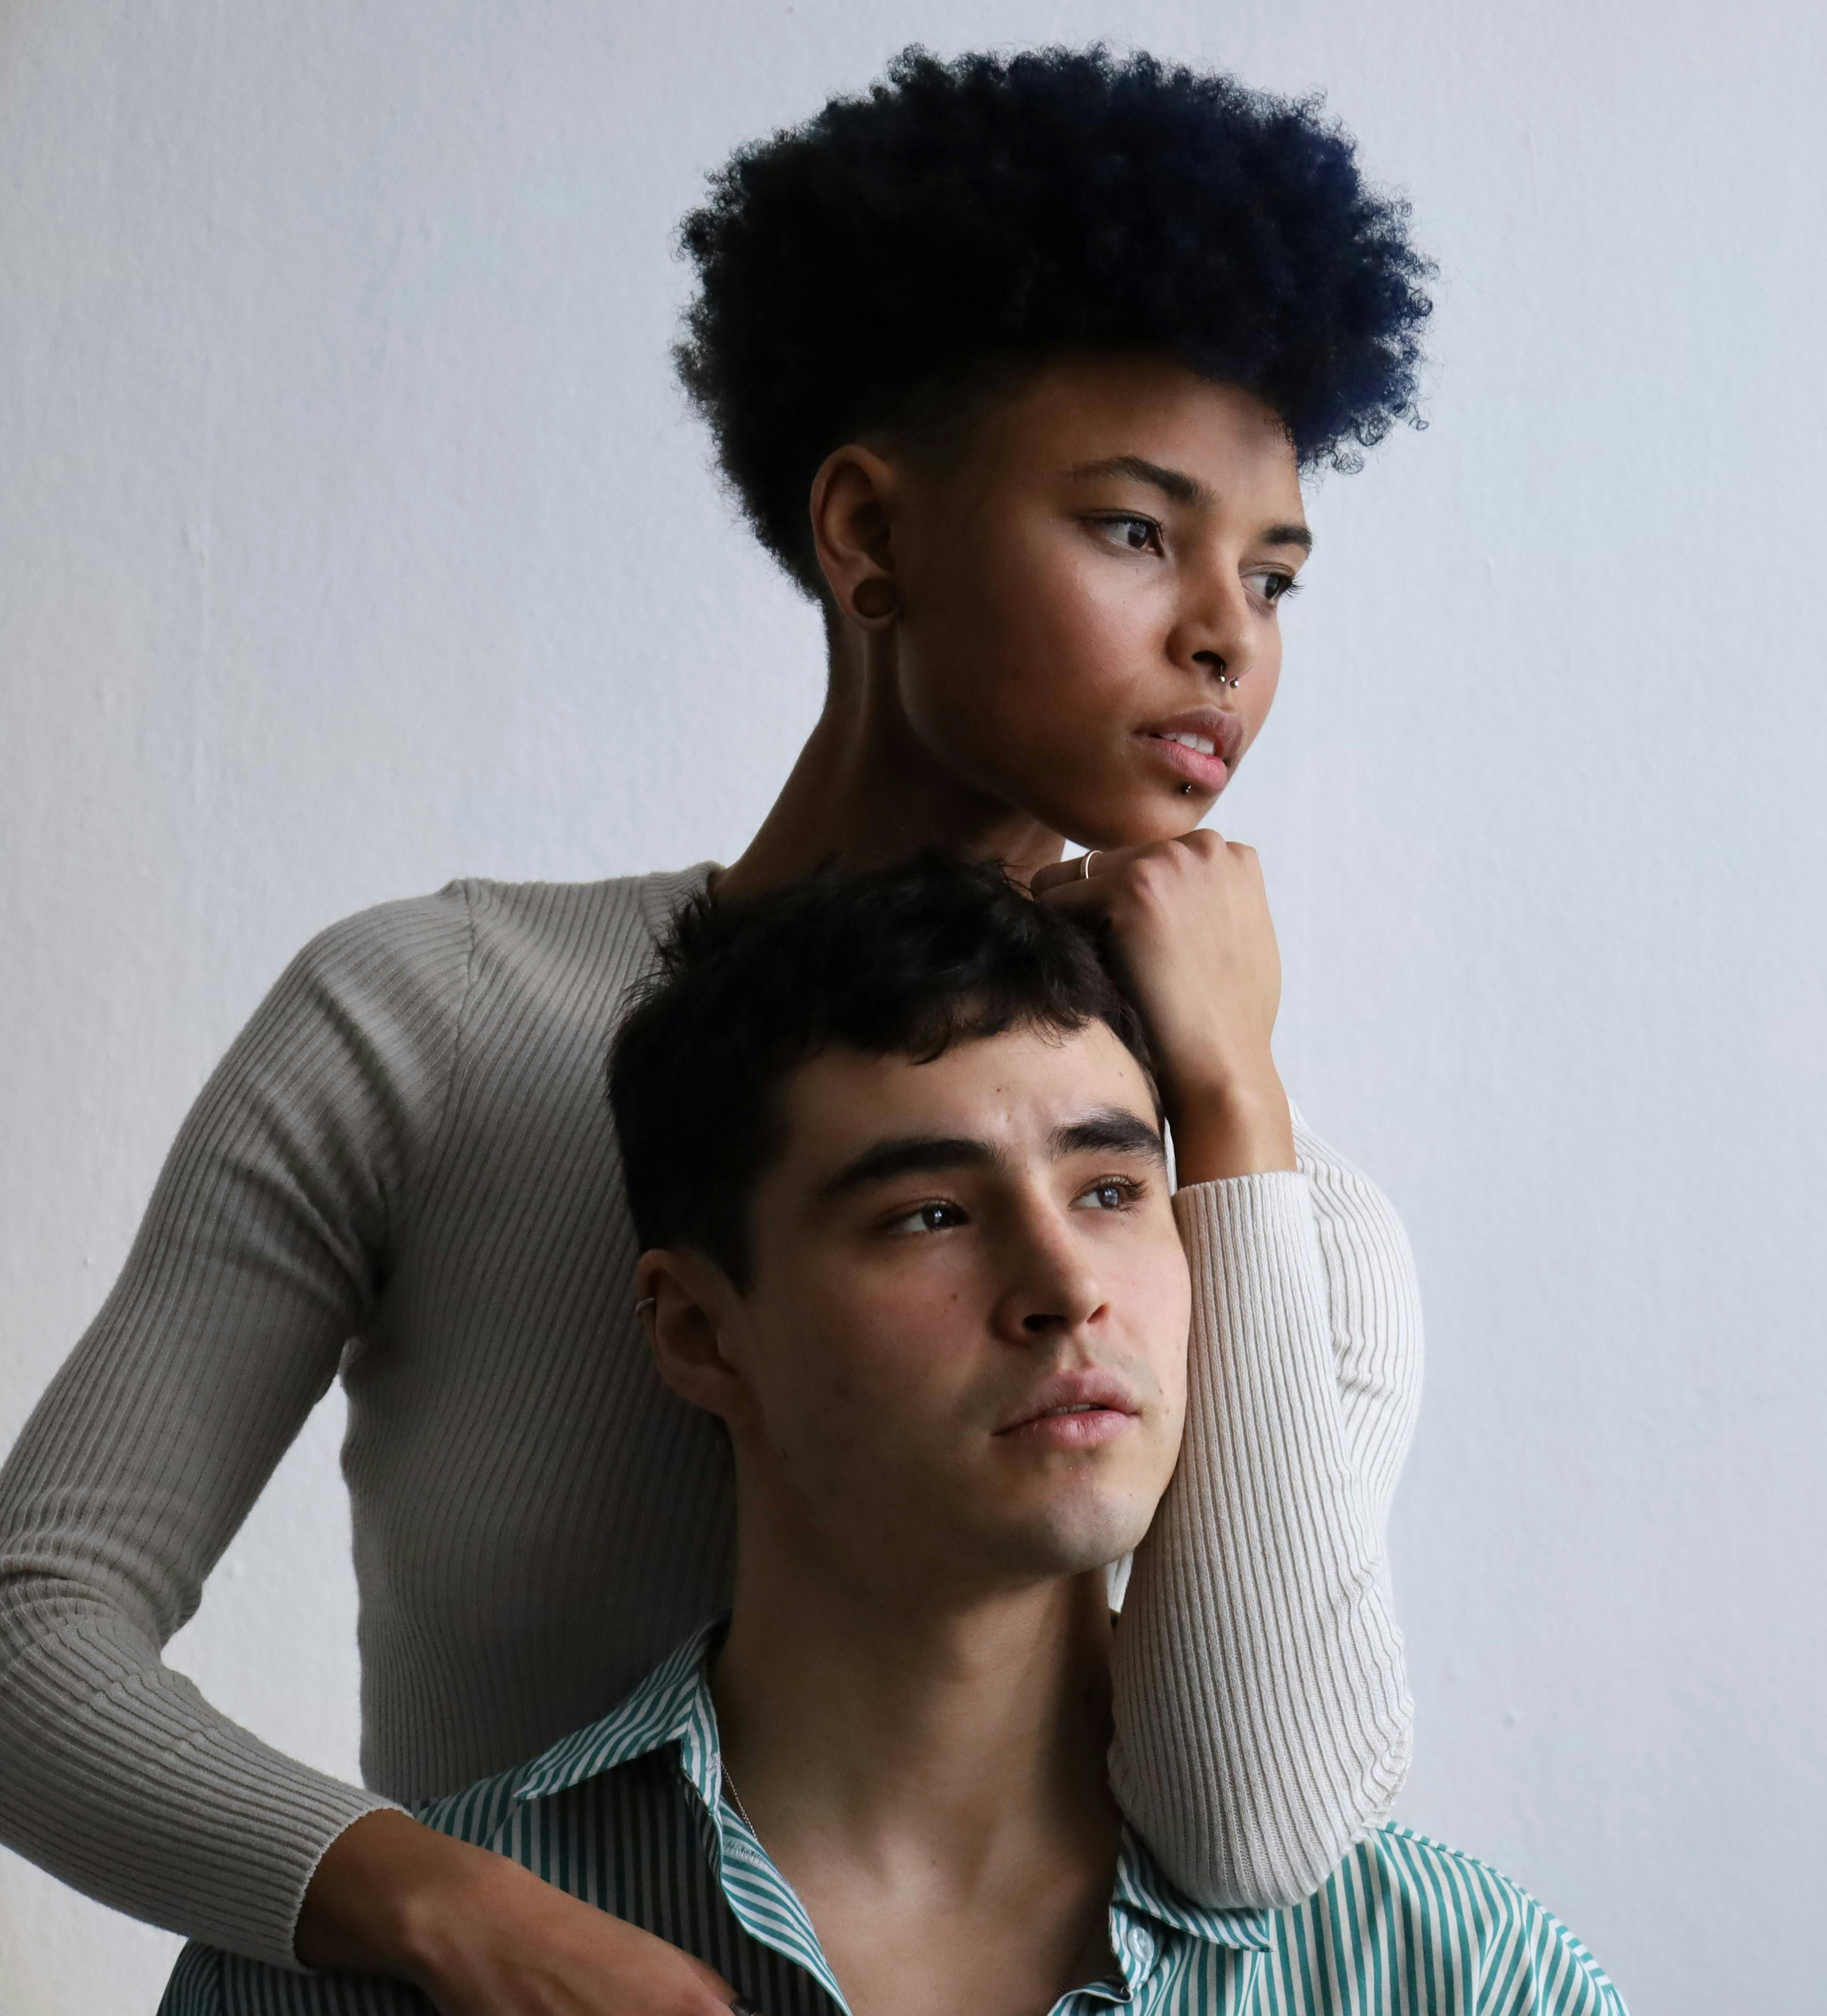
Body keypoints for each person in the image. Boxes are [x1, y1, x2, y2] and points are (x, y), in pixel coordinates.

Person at [0, 46, 1435, 2014]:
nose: (1226, 634)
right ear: (868, 534)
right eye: (1133, 530)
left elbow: (1254, 1833)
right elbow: (27, 1630)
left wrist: (1235, 1109)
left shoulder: (1272, 1214)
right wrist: (457, 1915)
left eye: (1272, 573)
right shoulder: (434, 1024)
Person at [158, 861, 1618, 2016]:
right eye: (929, 1214)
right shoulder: (357, 1986)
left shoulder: (1460, 1976)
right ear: (698, 1334)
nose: (1064, 1290)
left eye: (1112, 1190)